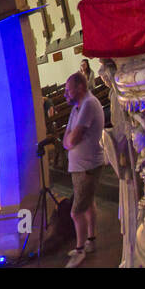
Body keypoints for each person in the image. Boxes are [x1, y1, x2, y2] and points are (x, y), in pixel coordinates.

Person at [62, 71, 105, 267]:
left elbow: (74, 137)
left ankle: (79, 251)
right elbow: (66, 140)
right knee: (87, 205)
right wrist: (70, 140)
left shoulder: (88, 104)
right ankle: (91, 240)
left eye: (68, 90)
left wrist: (71, 140)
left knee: (76, 211)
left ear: (80, 87)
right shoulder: (76, 107)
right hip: (80, 166)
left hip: (87, 166)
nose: (65, 95)